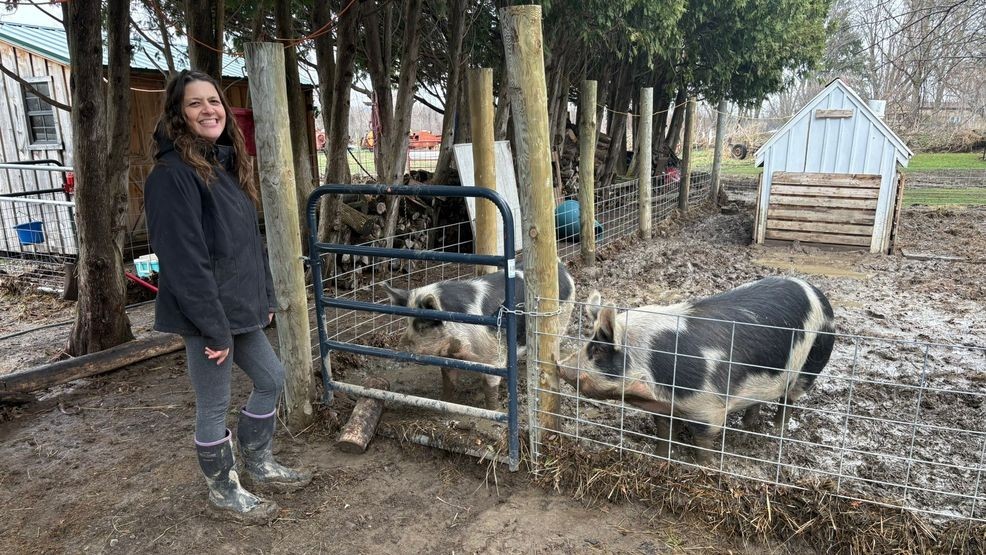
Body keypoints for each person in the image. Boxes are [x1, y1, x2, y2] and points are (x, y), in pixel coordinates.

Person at [144, 69, 311, 524]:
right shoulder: (171, 176)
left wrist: (266, 296)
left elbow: (246, 244)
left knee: (272, 379)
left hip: (239, 308)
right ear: (178, 114)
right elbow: (184, 261)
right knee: (213, 405)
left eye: (213, 101)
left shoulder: (223, 166)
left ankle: (258, 462)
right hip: (206, 316)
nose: (208, 110)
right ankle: (224, 489)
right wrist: (213, 327)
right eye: (195, 103)